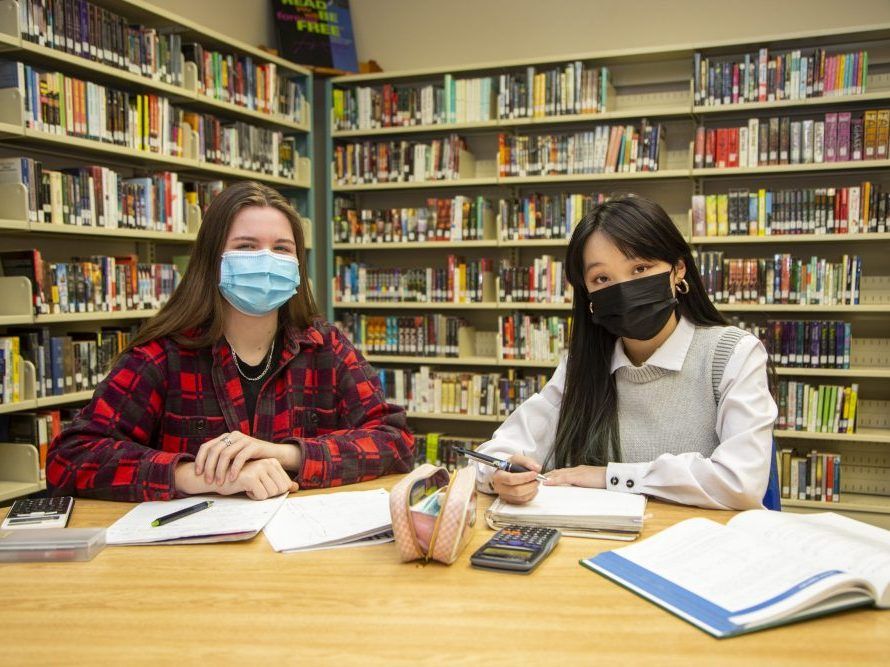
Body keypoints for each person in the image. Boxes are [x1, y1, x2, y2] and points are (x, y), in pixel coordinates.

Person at [47, 181, 413, 501]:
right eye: (247, 246)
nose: (265, 261)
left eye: (281, 249)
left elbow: (395, 441)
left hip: (301, 546)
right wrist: (196, 476)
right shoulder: (162, 355)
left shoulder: (324, 347)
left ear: (298, 263)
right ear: (213, 259)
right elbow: (70, 458)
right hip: (193, 551)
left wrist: (283, 453)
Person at [476, 195, 777, 510]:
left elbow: (741, 482)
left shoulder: (733, 354)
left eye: (640, 268)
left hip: (697, 538)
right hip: (599, 538)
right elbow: (494, 453)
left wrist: (610, 477)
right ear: (588, 296)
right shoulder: (582, 365)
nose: (623, 290)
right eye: (602, 279)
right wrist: (500, 475)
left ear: (678, 270)